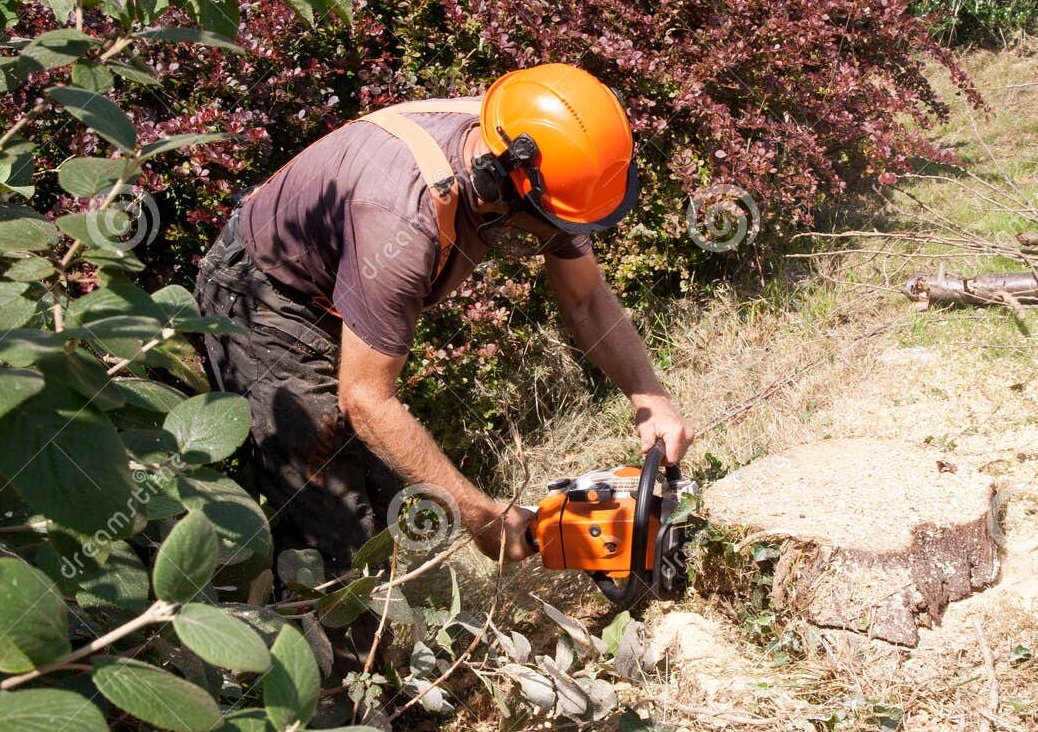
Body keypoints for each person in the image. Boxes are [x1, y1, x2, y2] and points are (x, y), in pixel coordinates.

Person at [194, 64, 693, 576]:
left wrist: (650, 399)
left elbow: (585, 298)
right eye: (546, 226)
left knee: (379, 495)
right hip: (264, 297)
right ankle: (308, 618)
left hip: (335, 285)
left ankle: (370, 610)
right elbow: (367, 400)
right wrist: (481, 518)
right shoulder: (403, 220)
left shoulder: (542, 160)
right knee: (335, 520)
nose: (555, 239)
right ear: (496, 182)